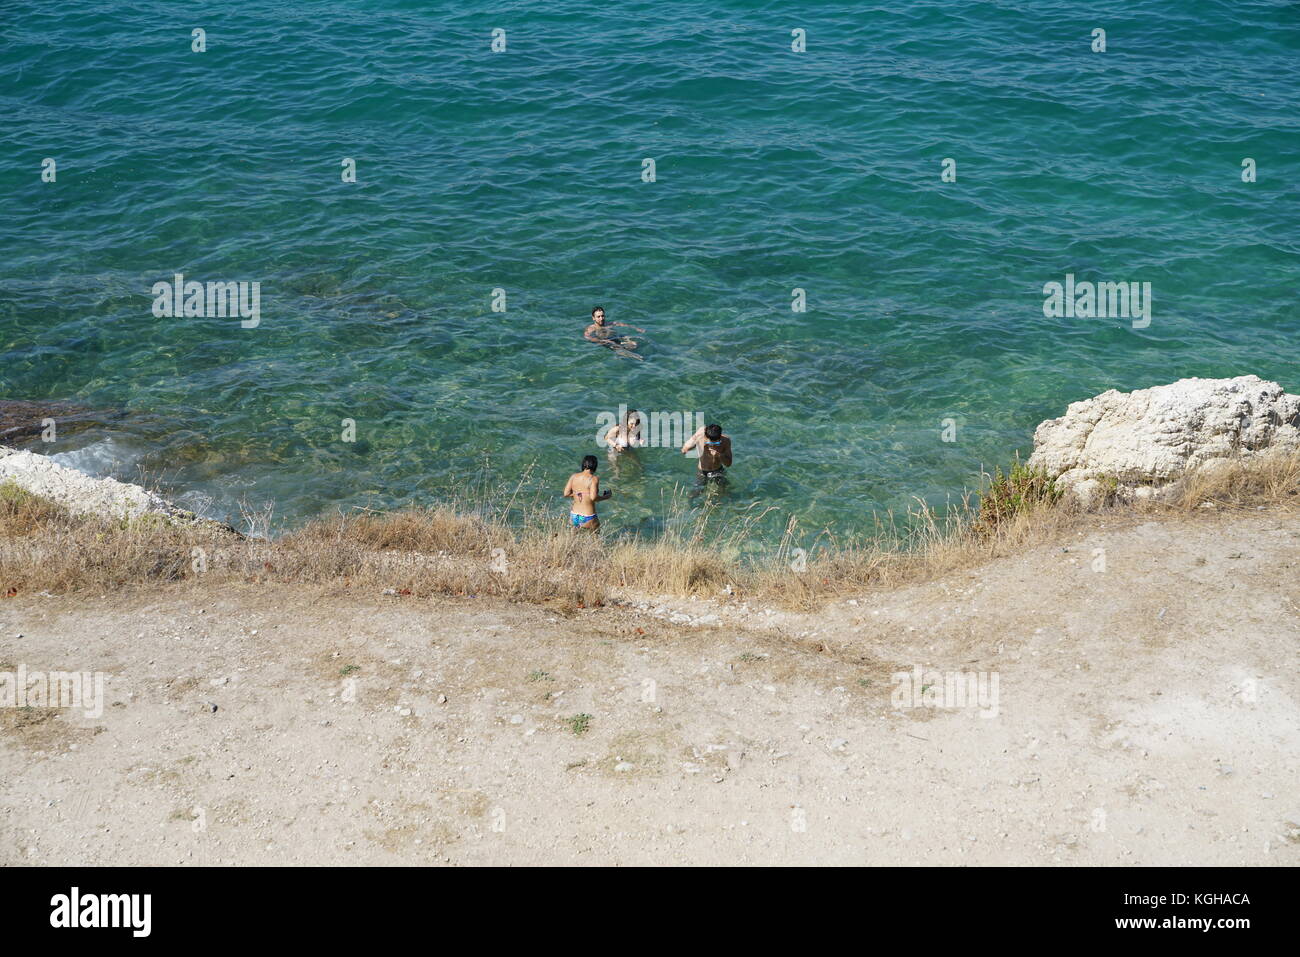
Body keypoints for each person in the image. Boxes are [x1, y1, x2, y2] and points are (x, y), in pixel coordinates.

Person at [562, 454, 611, 531]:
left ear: (583, 464)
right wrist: (606, 496)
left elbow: (566, 493)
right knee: (596, 537)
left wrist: (577, 494)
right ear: (595, 466)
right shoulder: (594, 479)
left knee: (573, 538)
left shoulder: (574, 476)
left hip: (574, 515)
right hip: (588, 516)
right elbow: (593, 497)